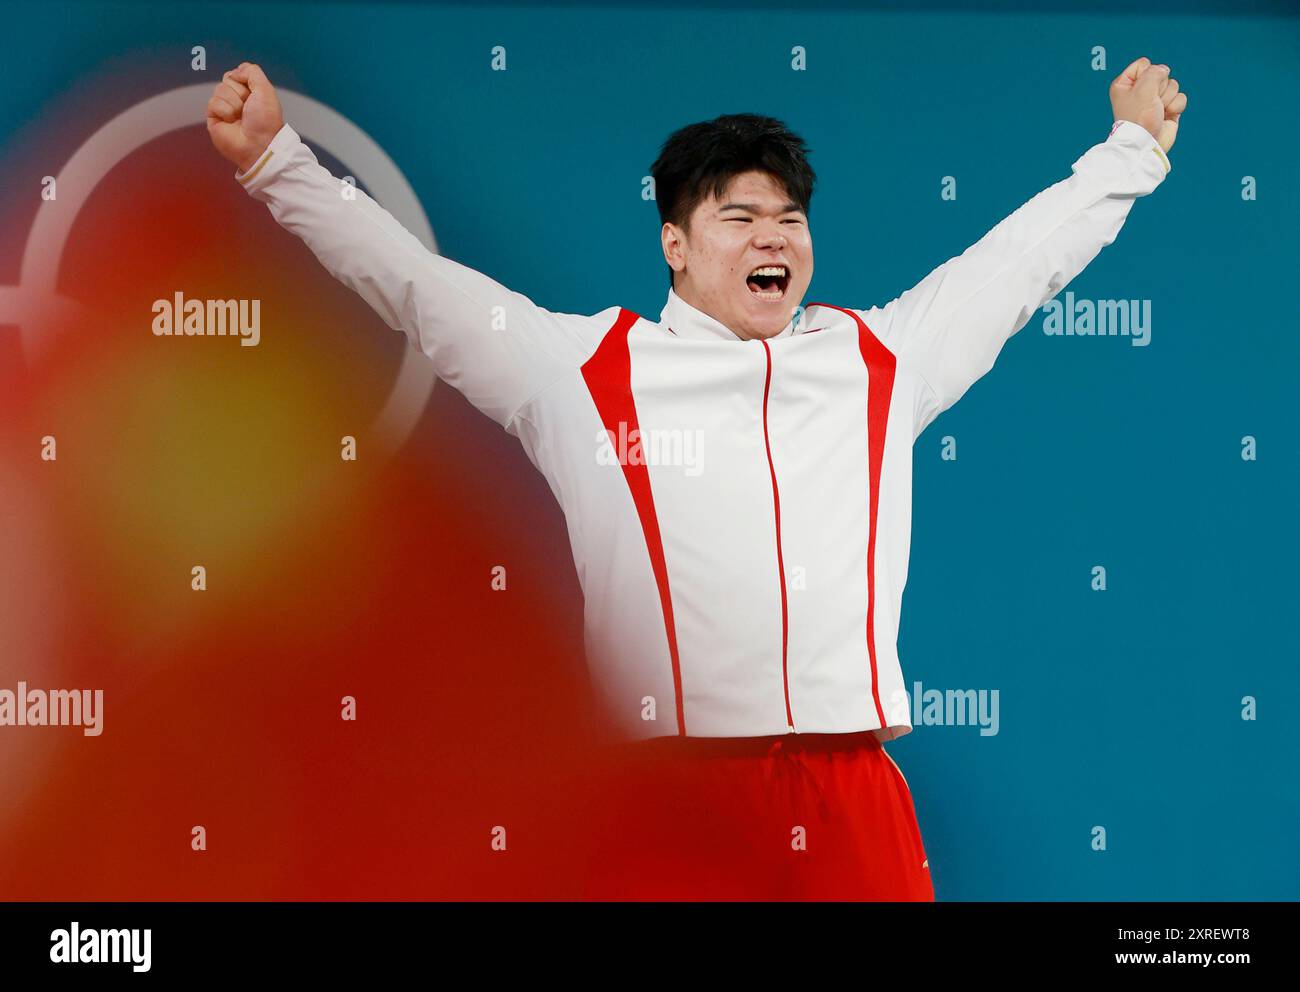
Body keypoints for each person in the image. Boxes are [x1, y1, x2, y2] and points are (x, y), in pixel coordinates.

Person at [206, 58, 1187, 900]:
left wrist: (1128, 153)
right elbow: (415, 288)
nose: (774, 238)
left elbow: (1015, 267)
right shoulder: (583, 371)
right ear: (673, 244)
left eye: (790, 218)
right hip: (668, 800)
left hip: (853, 801)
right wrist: (275, 162)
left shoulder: (881, 358)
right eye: (740, 217)